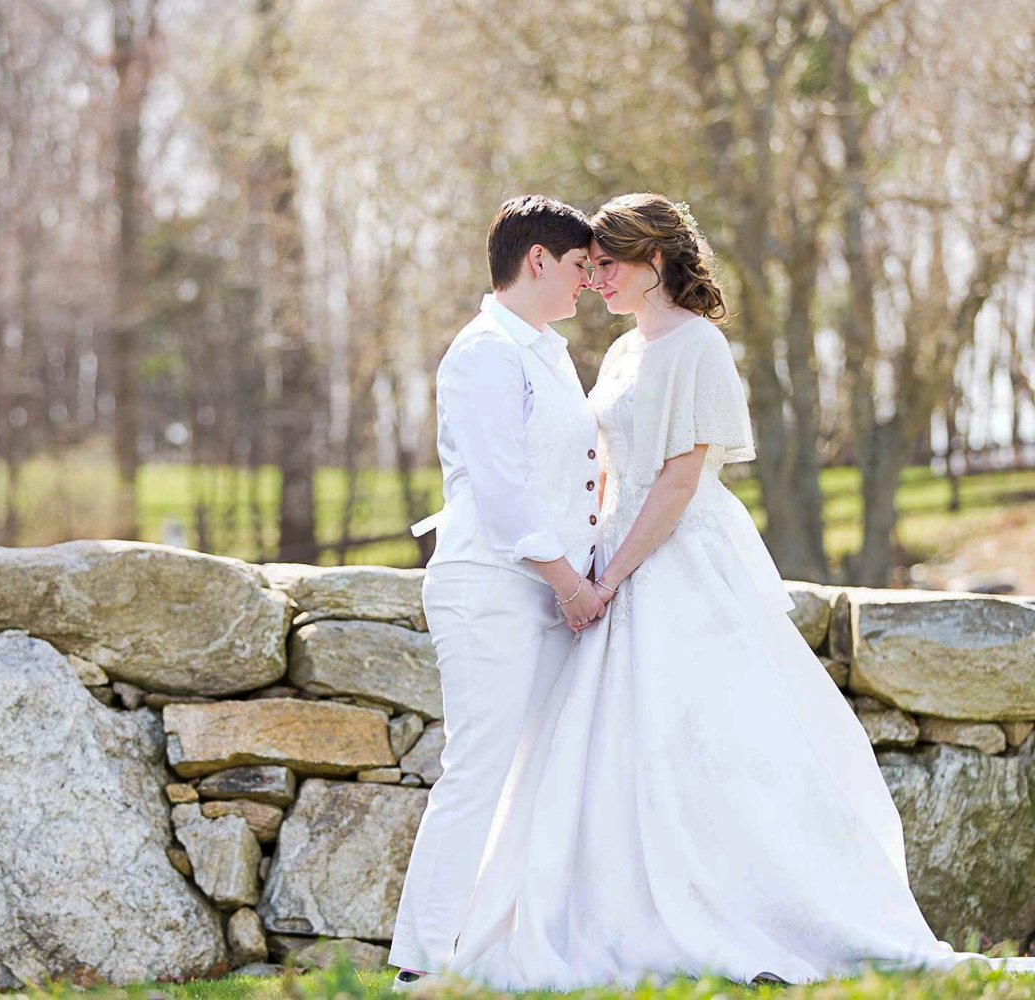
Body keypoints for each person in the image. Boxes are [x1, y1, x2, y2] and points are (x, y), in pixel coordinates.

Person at [444, 193, 1035, 989]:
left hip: (674, 560)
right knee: (608, 746)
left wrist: (610, 577)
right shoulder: (620, 354)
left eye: (608, 265)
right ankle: (611, 913)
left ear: (653, 261)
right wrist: (585, 564)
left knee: (708, 737)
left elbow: (680, 480)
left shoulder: (699, 347)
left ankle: (748, 909)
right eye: (590, 266)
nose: (595, 280)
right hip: (612, 556)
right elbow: (605, 468)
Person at [388, 195, 605, 991]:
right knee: (477, 769)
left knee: (543, 772)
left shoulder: (547, 350)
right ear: (537, 260)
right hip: (490, 589)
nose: (589, 282)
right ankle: (423, 960)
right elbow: (503, 489)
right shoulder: (483, 352)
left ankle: (504, 948)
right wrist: (570, 584)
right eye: (580, 266)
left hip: (546, 593)